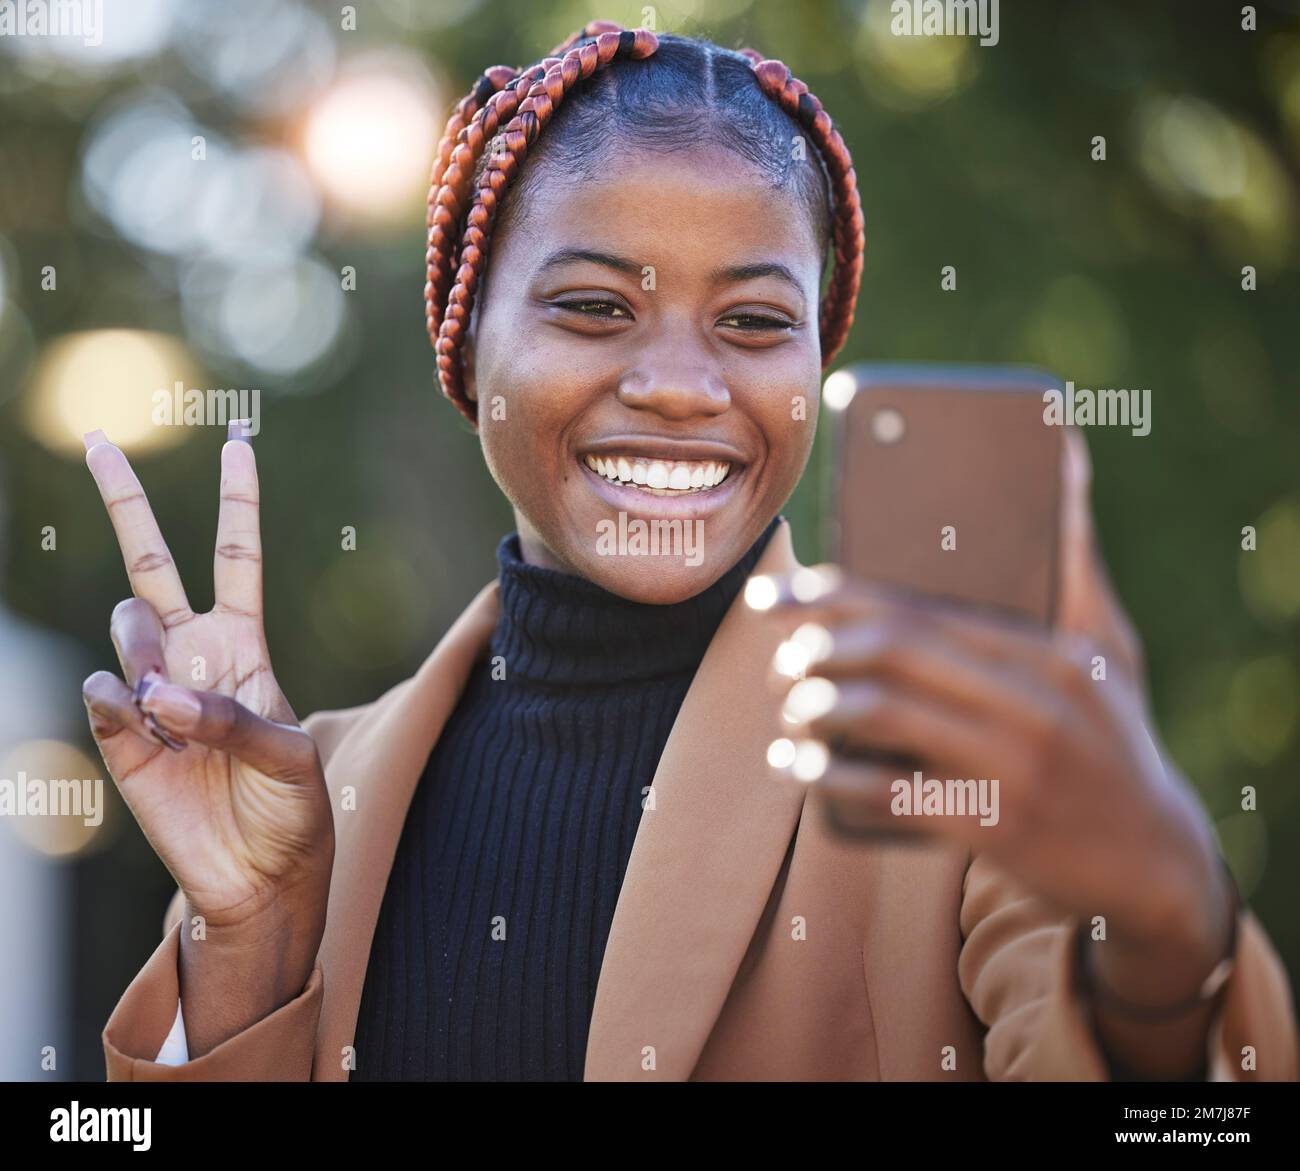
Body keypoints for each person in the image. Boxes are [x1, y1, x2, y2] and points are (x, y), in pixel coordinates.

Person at [86, 23, 1295, 1082]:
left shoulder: (940, 752)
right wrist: (246, 943)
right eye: (594, 306)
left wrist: (1163, 928)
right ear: (465, 345)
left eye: (756, 323)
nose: (678, 385)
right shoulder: (311, 799)